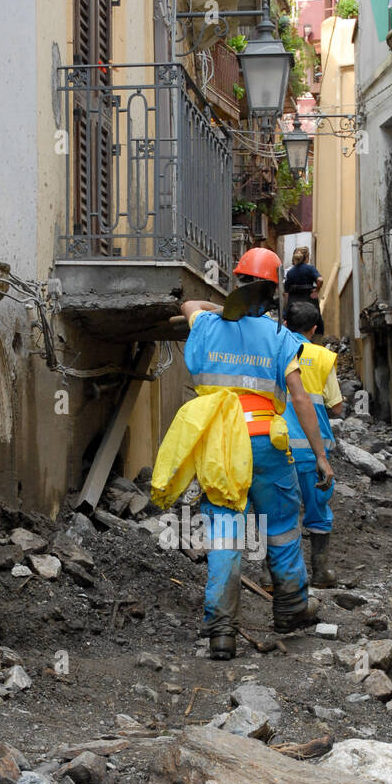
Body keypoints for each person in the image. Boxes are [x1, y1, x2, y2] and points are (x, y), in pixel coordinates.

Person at [152, 247, 333, 661]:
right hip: (267, 443)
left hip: (221, 447)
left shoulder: (209, 324)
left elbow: (190, 303)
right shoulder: (278, 336)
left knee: (225, 534)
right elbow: (302, 400)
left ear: (237, 285)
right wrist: (320, 456)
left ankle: (221, 632)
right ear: (274, 296)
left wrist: (224, 308)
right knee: (283, 526)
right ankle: (289, 610)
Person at [282, 300, 343, 587]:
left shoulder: (275, 350)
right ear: (314, 328)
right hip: (312, 450)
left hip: (277, 446)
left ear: (285, 324)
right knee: (317, 508)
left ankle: (273, 574)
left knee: (279, 510)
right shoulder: (322, 357)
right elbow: (337, 407)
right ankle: (320, 572)